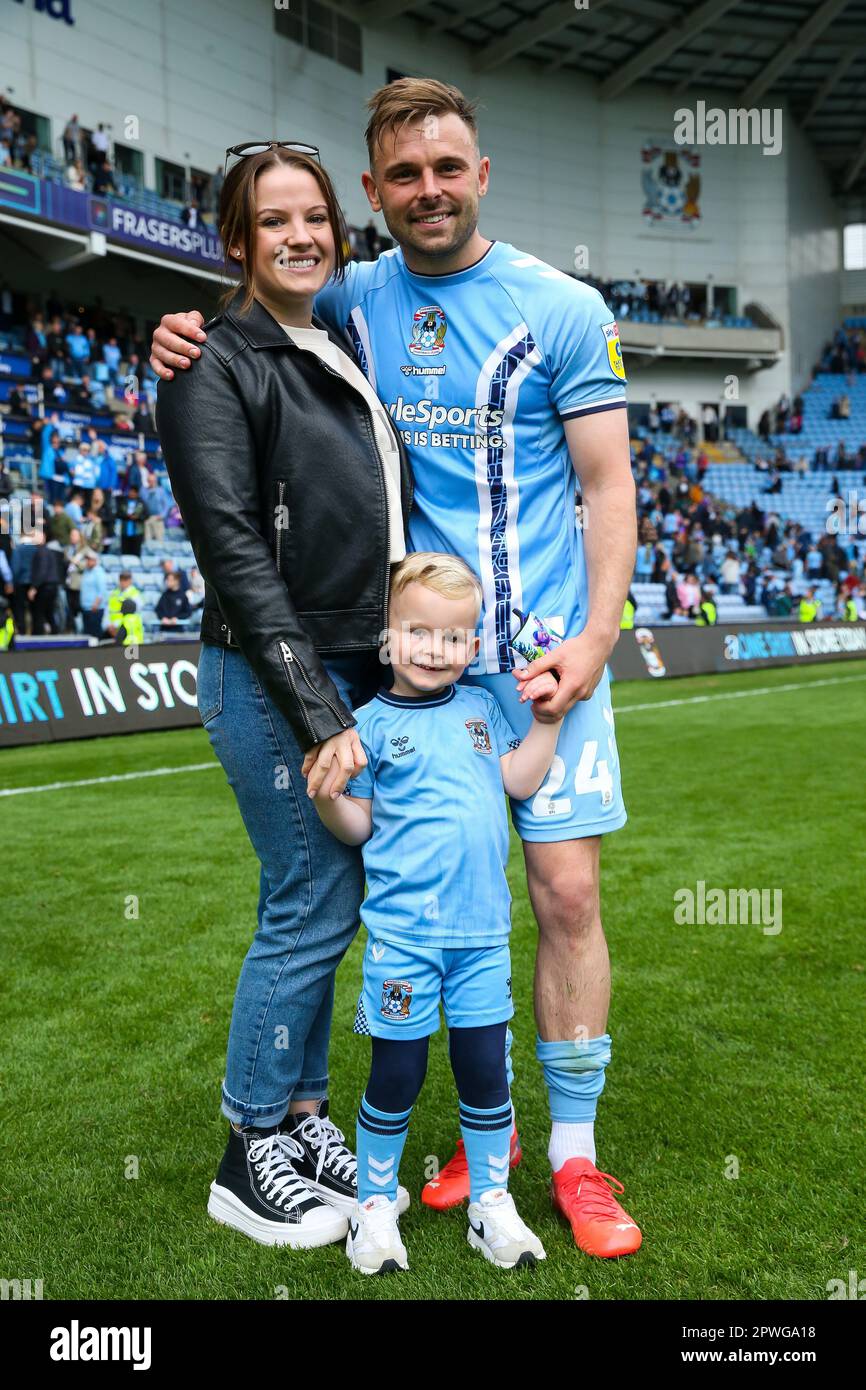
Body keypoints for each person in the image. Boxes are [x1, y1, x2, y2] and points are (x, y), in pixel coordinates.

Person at [150, 78, 641, 1257]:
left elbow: (606, 483)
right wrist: (181, 328)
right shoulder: (352, 294)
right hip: (402, 669)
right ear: (375, 193)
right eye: (402, 175)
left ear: (481, 173)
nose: (428, 189)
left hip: (537, 664)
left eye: (447, 167)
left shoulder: (561, 304)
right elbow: (246, 332)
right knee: (364, 896)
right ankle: (363, 1134)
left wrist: (592, 641)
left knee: (561, 895)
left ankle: (566, 1158)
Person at [156, 140, 414, 1250]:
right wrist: (318, 708)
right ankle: (245, 1144)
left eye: (314, 215)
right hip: (273, 668)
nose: (301, 234)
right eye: (274, 221)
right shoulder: (214, 355)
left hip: (346, 658)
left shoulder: (336, 337)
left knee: (330, 897)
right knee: (309, 898)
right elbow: (232, 548)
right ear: (236, 241)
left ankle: (304, 1117)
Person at [312, 553, 558, 1273]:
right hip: (403, 943)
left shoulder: (482, 710)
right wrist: (329, 792)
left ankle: (491, 1204)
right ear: (387, 636)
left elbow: (516, 778)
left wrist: (547, 722)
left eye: (453, 638)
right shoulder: (365, 726)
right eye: (418, 632)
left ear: (473, 646)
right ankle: (375, 1207)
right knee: (397, 1073)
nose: (434, 649)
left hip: (482, 938)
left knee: (485, 1070)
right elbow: (357, 828)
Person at [79, 549, 109, 637]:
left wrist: (96, 604)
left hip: (95, 609)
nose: (87, 561)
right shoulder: (86, 571)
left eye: (89, 559)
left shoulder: (99, 572)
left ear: (95, 560)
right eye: (87, 559)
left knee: (95, 634)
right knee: (87, 634)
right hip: (86, 608)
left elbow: (102, 590)